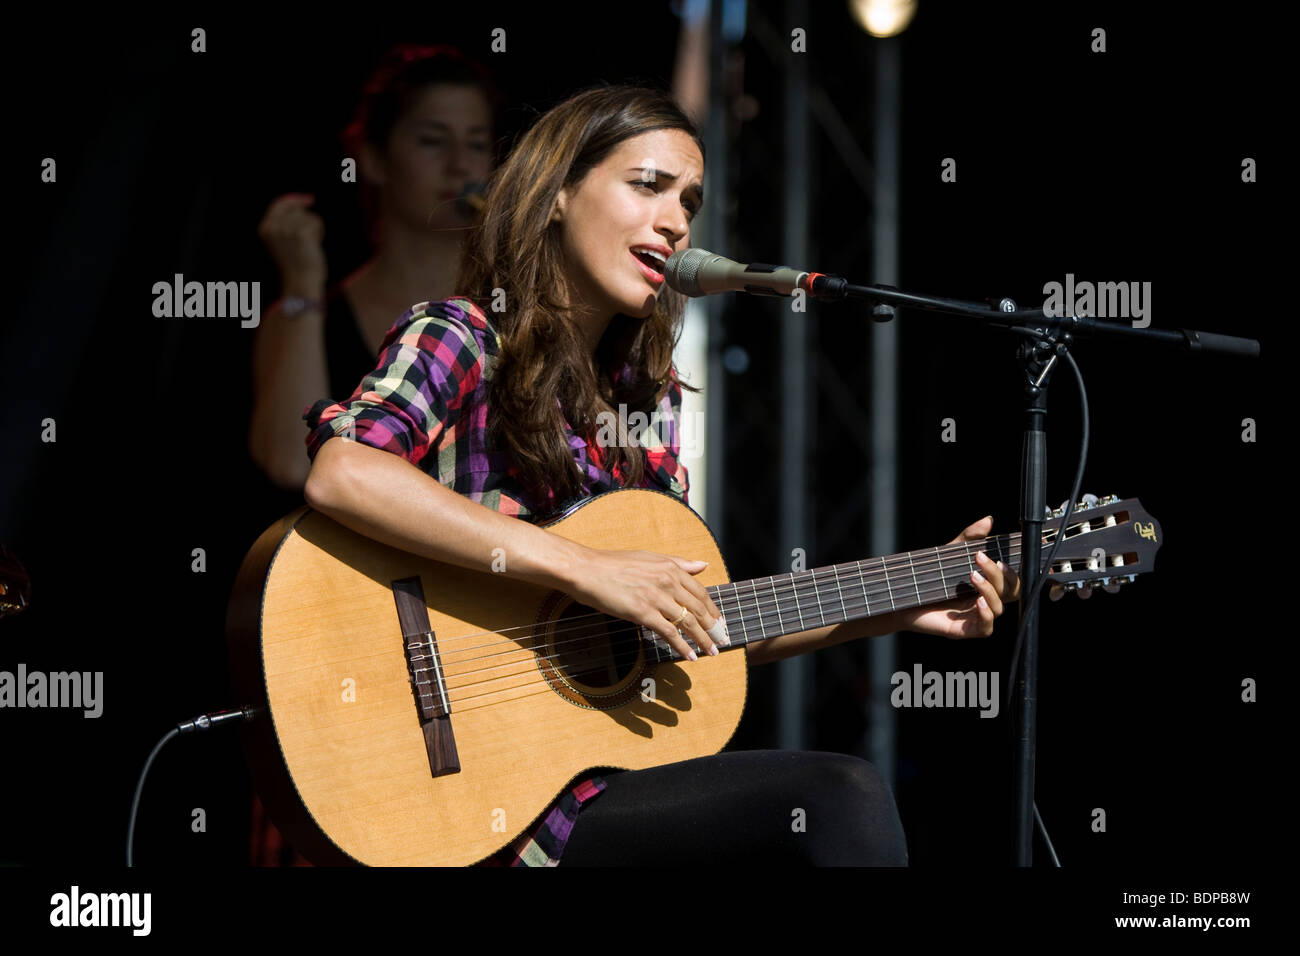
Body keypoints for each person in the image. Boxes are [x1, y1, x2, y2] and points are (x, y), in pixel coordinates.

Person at [299, 84, 1021, 866]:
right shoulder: (462, 335)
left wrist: (903, 603)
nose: (676, 220)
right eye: (647, 186)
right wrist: (585, 569)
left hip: (593, 786)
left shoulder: (649, 401)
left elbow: (691, 622)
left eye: (690, 200)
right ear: (556, 196)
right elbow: (344, 472)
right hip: (474, 792)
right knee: (838, 797)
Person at [244, 43, 502, 866]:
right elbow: (291, 460)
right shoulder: (321, 306)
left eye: (478, 141)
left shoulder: (509, 326)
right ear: (372, 158)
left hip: (484, 670)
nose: (461, 163)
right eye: (433, 140)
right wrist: (302, 280)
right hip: (347, 654)